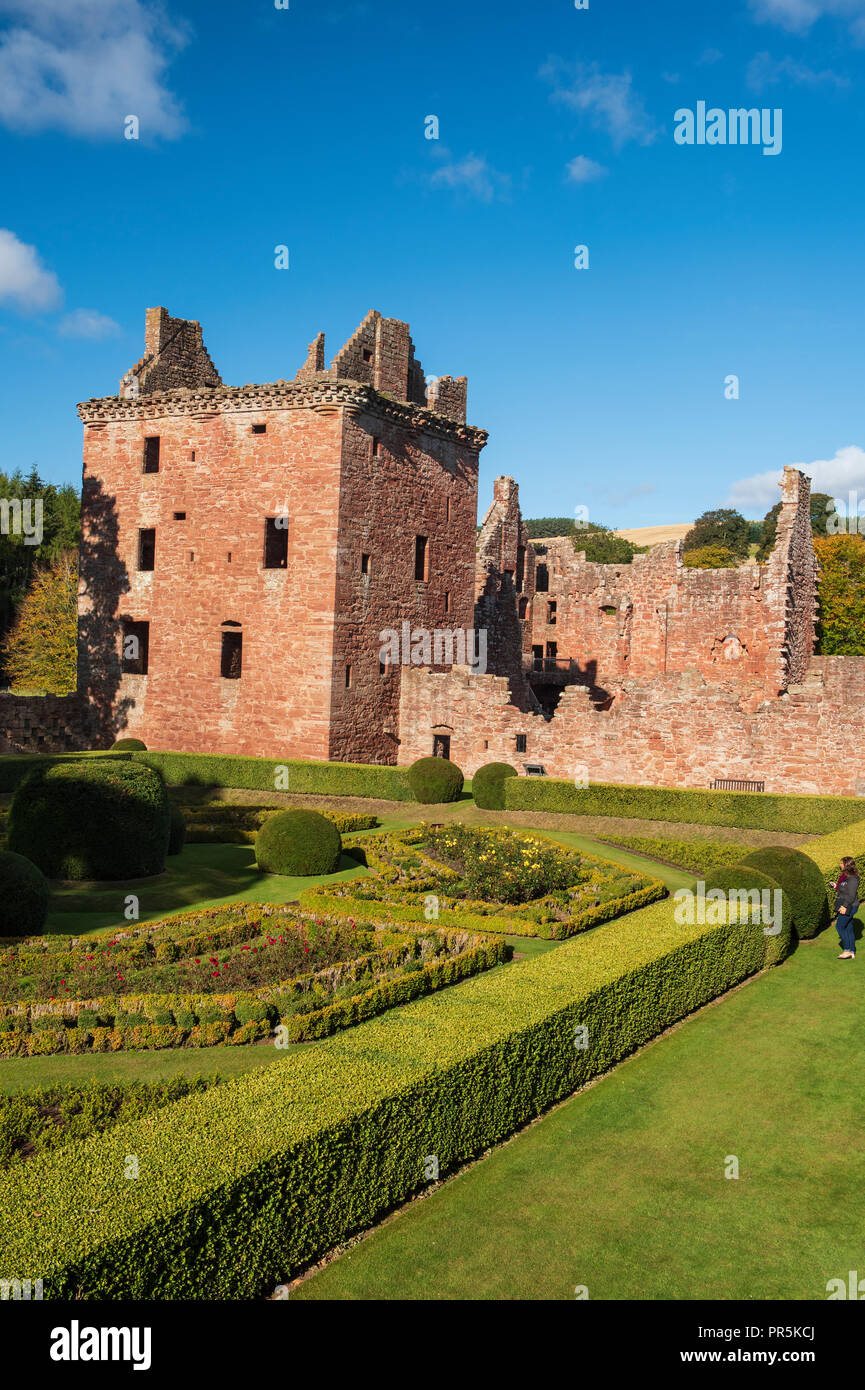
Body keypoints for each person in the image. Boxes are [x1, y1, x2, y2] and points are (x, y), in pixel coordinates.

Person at [831, 857, 859, 960]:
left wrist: (844, 906)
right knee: (848, 928)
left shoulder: (853, 879)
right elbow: (844, 890)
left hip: (849, 906)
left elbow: (851, 896)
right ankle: (851, 951)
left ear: (846, 865)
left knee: (840, 926)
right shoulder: (846, 877)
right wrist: (836, 887)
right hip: (846, 905)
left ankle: (847, 950)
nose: (840, 865)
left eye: (841, 863)